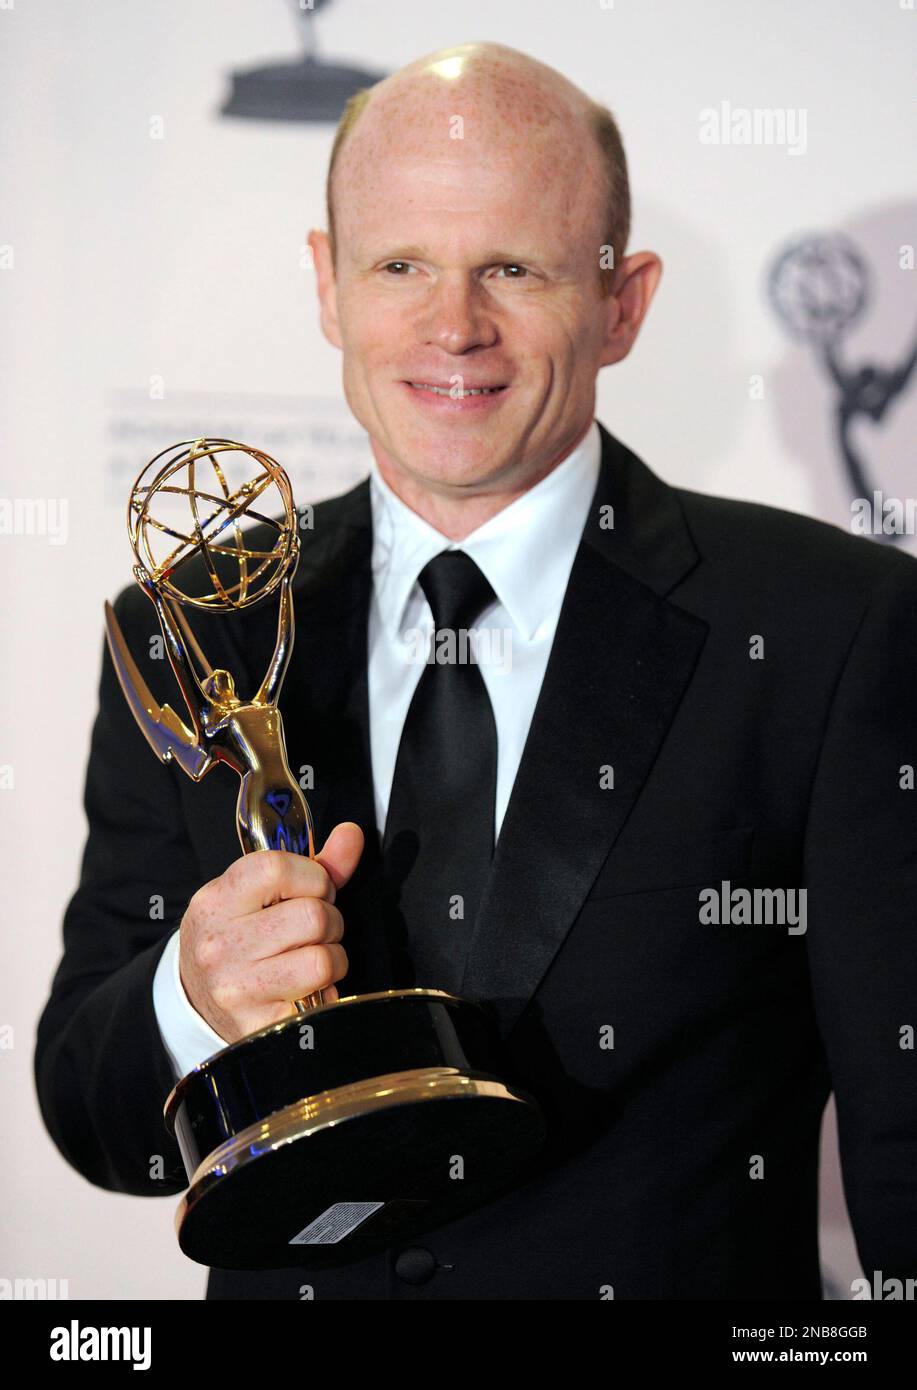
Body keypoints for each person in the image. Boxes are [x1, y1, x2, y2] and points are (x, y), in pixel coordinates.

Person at [36, 41, 917, 1300]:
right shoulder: (195, 621)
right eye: (400, 264)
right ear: (327, 286)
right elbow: (91, 1110)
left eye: (513, 265)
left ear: (622, 303)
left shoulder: (835, 629)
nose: (454, 326)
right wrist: (192, 992)